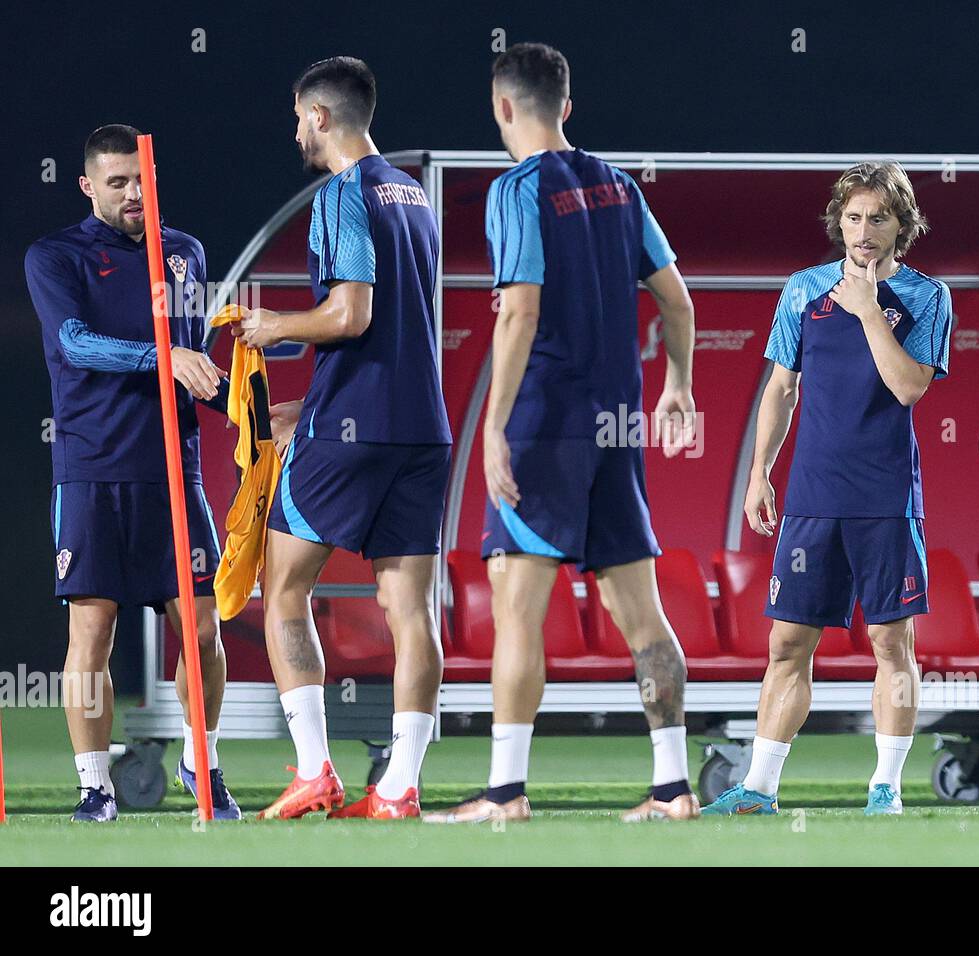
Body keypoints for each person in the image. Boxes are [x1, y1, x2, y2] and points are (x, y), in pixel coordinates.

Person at [424, 43, 699, 824]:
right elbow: (677, 303)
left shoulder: (515, 190)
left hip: (547, 421)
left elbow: (520, 310)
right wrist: (678, 384)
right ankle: (674, 787)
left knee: (518, 609)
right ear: (567, 106)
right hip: (616, 420)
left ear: (502, 108)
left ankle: (506, 793)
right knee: (644, 617)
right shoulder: (617, 184)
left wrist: (494, 427)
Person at [237, 57, 453, 820]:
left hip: (354, 432)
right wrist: (313, 404)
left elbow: (352, 315)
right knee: (410, 609)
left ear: (322, 117)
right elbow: (392, 329)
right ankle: (399, 789)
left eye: (299, 116)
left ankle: (314, 770)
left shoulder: (340, 195)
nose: (296, 129)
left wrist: (274, 326)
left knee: (283, 587)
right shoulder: (414, 197)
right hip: (421, 429)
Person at [701, 162, 952, 818]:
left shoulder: (926, 298)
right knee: (787, 644)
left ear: (904, 225)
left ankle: (886, 789)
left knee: (891, 644)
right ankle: (757, 789)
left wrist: (870, 310)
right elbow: (781, 388)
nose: (864, 232)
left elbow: (908, 387)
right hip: (812, 499)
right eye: (853, 218)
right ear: (837, 222)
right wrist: (760, 471)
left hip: (886, 501)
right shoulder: (803, 290)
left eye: (879, 219)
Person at [25, 124, 240, 821]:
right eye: (117, 183)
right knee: (93, 632)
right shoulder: (56, 257)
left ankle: (201, 763)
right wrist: (162, 357)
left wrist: (248, 401)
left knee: (204, 628)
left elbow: (194, 354)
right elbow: (75, 344)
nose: (133, 194)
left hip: (174, 471)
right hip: (91, 469)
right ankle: (94, 784)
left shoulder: (184, 254)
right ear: (88, 185)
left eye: (141, 180)